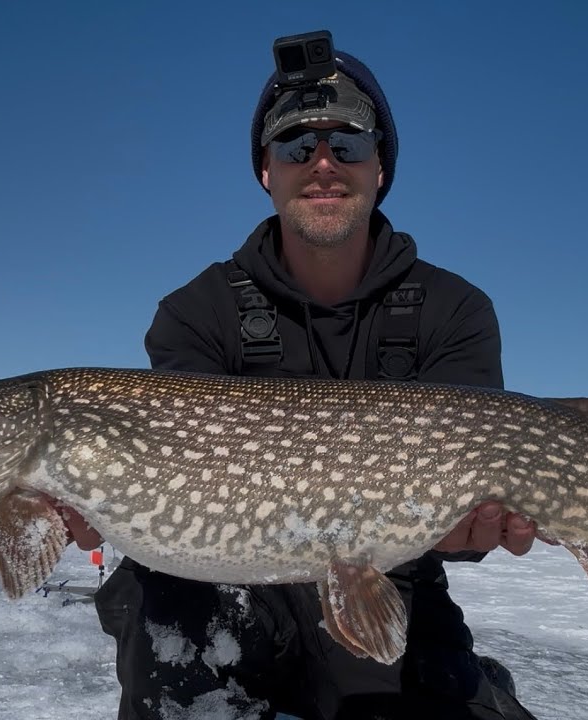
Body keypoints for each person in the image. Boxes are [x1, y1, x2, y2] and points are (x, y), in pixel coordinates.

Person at [72, 42, 540, 720]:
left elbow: (468, 514)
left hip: (387, 580)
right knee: (172, 635)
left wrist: (468, 530)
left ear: (381, 166)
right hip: (223, 588)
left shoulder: (454, 310)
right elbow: (181, 487)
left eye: (347, 145)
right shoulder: (196, 310)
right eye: (295, 147)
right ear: (267, 169)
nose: (322, 164)